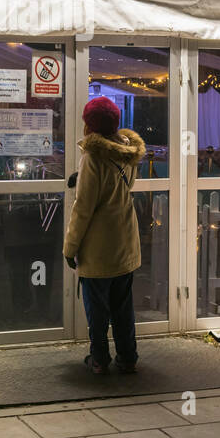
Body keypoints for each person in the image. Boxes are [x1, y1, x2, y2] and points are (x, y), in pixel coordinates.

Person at [63, 96, 145, 375]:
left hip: (99, 247)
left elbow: (83, 208)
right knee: (123, 306)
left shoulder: (93, 156)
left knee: (97, 309)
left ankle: (99, 358)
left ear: (90, 125)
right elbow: (123, 186)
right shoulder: (127, 151)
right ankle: (129, 357)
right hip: (125, 238)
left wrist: (70, 247)